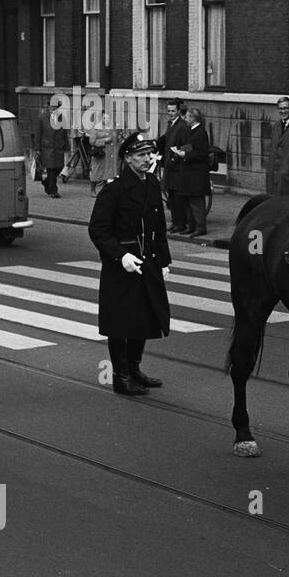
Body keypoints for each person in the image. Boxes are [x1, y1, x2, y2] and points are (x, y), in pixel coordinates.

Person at [89, 133, 171, 395]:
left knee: (145, 318)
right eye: (140, 155)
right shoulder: (114, 189)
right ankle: (121, 376)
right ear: (127, 158)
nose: (147, 159)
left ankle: (135, 368)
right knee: (121, 322)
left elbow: (158, 227)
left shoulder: (152, 185)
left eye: (149, 154)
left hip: (148, 261)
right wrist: (120, 256)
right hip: (123, 265)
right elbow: (98, 230)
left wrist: (164, 260)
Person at [169, 106, 211, 236]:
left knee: (196, 201)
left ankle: (200, 227)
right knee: (188, 200)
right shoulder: (193, 131)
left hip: (196, 174)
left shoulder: (200, 132)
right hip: (189, 173)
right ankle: (191, 226)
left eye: (187, 117)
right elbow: (190, 146)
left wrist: (184, 155)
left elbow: (202, 152)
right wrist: (180, 150)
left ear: (193, 118)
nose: (185, 119)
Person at [161, 99, 189, 232]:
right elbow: (166, 140)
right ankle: (175, 222)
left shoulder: (182, 126)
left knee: (178, 198)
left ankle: (180, 223)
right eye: (168, 111)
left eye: (173, 111)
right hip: (169, 167)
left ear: (178, 111)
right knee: (171, 197)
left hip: (177, 168)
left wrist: (175, 158)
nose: (170, 113)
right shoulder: (171, 124)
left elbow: (188, 146)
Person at [34, 103, 65, 198]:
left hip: (58, 148)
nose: (53, 109)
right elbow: (38, 134)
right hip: (47, 148)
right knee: (51, 169)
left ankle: (47, 182)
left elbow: (64, 132)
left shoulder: (61, 118)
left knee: (59, 167)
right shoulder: (42, 118)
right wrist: (37, 148)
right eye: (51, 107)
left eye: (55, 107)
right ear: (48, 107)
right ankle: (53, 191)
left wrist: (65, 145)